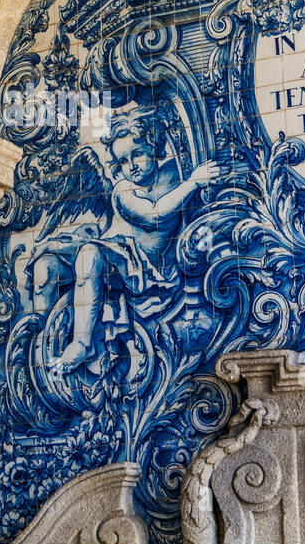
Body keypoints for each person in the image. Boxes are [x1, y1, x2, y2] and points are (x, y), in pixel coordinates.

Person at [41, 105, 219, 378]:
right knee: (85, 255)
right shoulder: (123, 190)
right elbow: (154, 215)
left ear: (153, 149)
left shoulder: (175, 172)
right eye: (123, 161)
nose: (131, 166)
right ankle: (81, 343)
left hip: (154, 270)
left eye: (137, 154)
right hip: (121, 260)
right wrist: (193, 183)